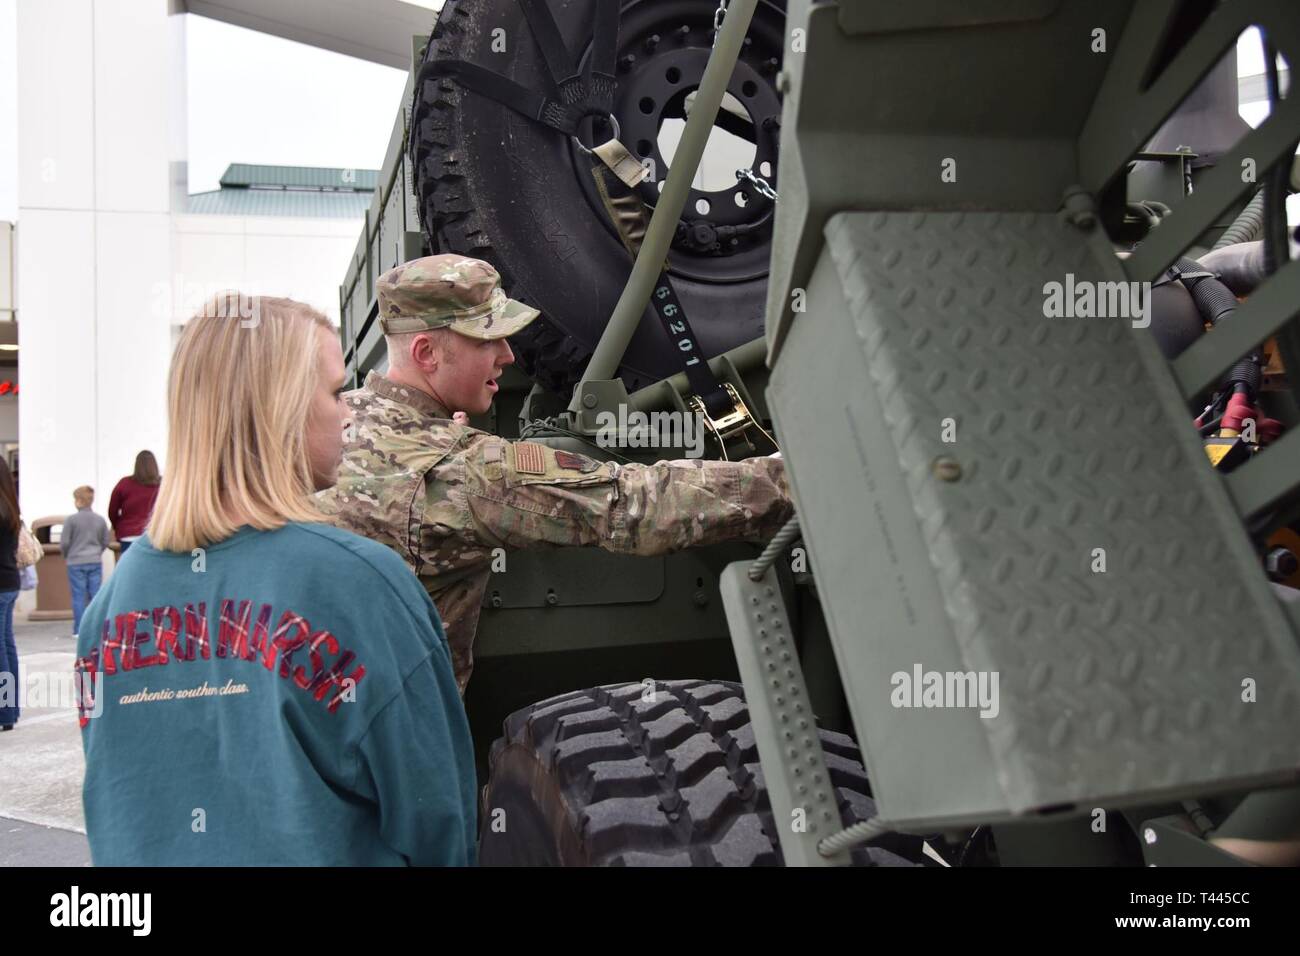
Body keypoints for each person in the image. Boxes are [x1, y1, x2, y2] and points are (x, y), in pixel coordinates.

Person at [75, 292, 476, 865]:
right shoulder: (361, 584)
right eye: (336, 392)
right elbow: (439, 824)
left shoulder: (107, 610)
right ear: (280, 406)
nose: (349, 412)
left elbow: (119, 810)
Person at [317, 255, 793, 693]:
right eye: (488, 338)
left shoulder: (334, 423)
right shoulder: (464, 470)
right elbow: (631, 505)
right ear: (426, 353)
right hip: (405, 755)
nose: (507, 355)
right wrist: (788, 479)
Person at [61, 485, 109, 636]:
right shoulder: (100, 520)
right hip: (94, 559)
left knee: (78, 596)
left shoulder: (71, 520)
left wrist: (67, 555)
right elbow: (105, 541)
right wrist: (97, 552)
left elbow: (65, 543)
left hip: (75, 561)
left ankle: (79, 629)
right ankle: (96, 629)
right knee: (95, 595)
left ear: (78, 501)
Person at [107, 450, 161, 556]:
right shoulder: (163, 485)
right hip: (155, 535)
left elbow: (112, 510)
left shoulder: (124, 484)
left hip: (129, 536)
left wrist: (118, 526)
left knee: (129, 571)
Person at [0, 460, 21, 731]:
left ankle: (5, 711)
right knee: (7, 645)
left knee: (1, 648)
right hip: (10, 581)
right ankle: (11, 709)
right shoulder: (12, 509)